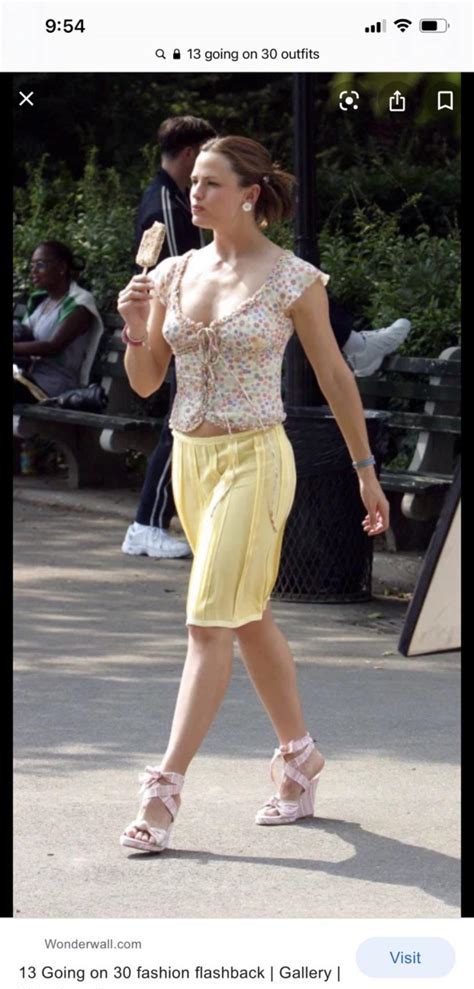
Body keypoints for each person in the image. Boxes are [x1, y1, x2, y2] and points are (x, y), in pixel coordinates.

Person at [117, 136, 390, 854]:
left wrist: (364, 467)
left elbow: (334, 376)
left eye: (209, 183)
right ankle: (299, 758)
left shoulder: (293, 278)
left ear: (249, 192)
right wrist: (136, 327)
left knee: (208, 622)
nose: (193, 195)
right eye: (192, 184)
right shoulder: (173, 272)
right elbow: (147, 381)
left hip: (256, 460)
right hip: (191, 461)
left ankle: (164, 787)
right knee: (247, 615)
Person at [122, 115, 216, 560]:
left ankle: (152, 521)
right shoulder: (165, 202)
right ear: (189, 153)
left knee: (182, 427)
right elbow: (182, 270)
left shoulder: (167, 196)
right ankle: (147, 521)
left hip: (177, 330)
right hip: (180, 332)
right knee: (179, 428)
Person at [13, 241, 103, 403]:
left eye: (40, 265)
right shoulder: (41, 302)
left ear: (61, 268)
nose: (33, 271)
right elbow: (22, 335)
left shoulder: (80, 303)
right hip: (26, 377)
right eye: (32, 265)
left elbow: (53, 346)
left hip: (56, 385)